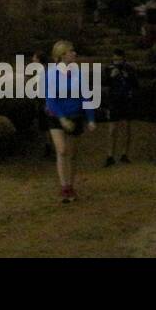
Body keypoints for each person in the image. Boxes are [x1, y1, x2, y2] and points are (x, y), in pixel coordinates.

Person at [45, 39, 96, 202]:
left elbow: (86, 97)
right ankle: (64, 186)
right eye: (71, 51)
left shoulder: (78, 74)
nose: (74, 53)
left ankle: (71, 185)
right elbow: (50, 99)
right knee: (62, 150)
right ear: (62, 55)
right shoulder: (51, 74)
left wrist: (91, 118)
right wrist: (61, 118)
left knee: (72, 154)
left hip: (74, 115)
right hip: (56, 116)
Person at [103, 48, 138, 166]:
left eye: (119, 59)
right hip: (114, 101)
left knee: (126, 128)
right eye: (115, 59)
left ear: (123, 59)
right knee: (112, 130)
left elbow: (135, 84)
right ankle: (110, 155)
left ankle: (124, 154)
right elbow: (104, 83)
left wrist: (128, 77)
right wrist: (111, 77)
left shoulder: (129, 69)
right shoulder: (109, 69)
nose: (116, 61)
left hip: (126, 101)